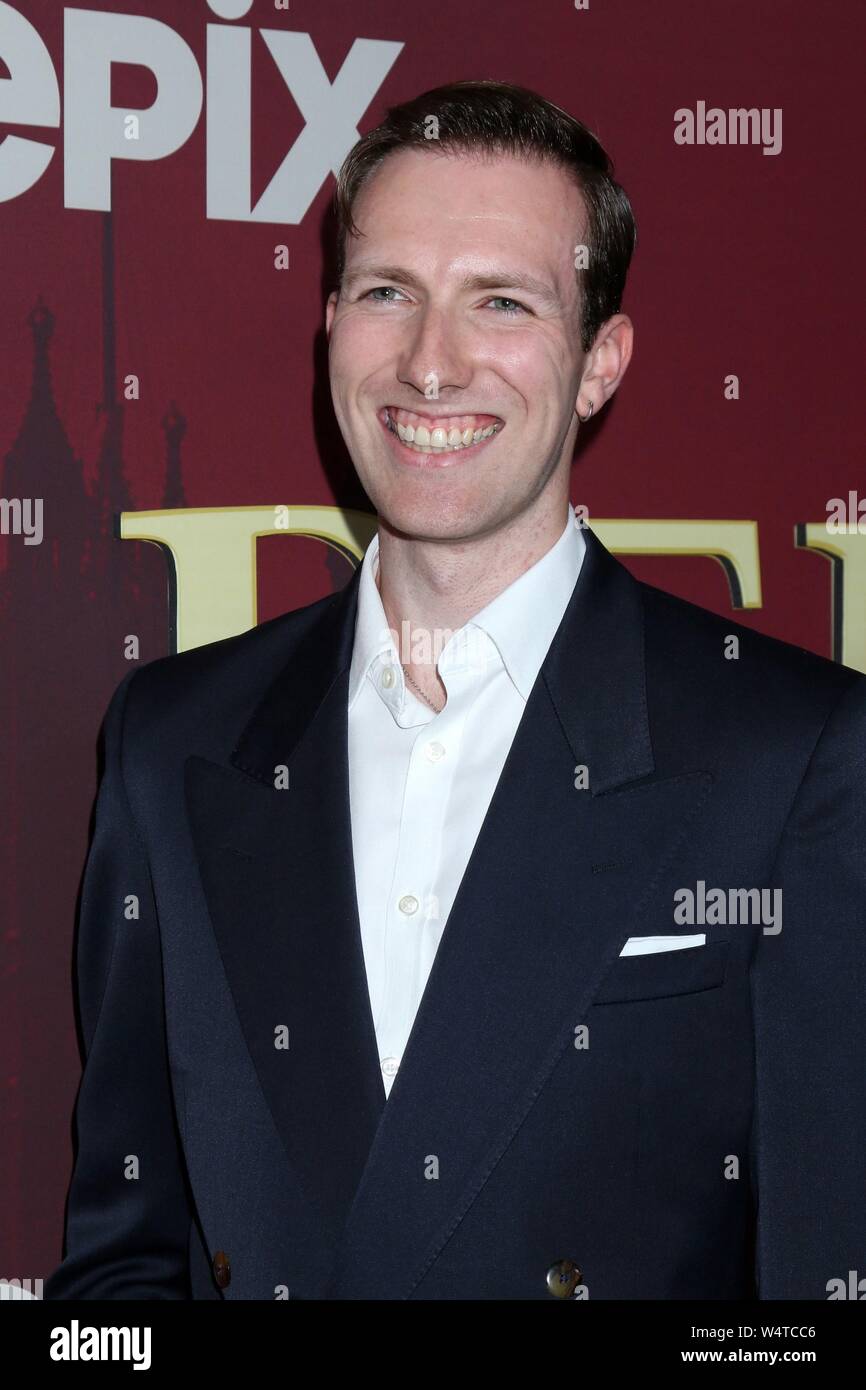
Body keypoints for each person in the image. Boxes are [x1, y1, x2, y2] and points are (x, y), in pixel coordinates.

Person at [46, 80, 866, 1301]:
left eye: (501, 301)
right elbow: (120, 1278)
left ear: (599, 363)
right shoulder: (174, 744)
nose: (432, 364)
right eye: (388, 292)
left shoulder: (792, 750)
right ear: (328, 323)